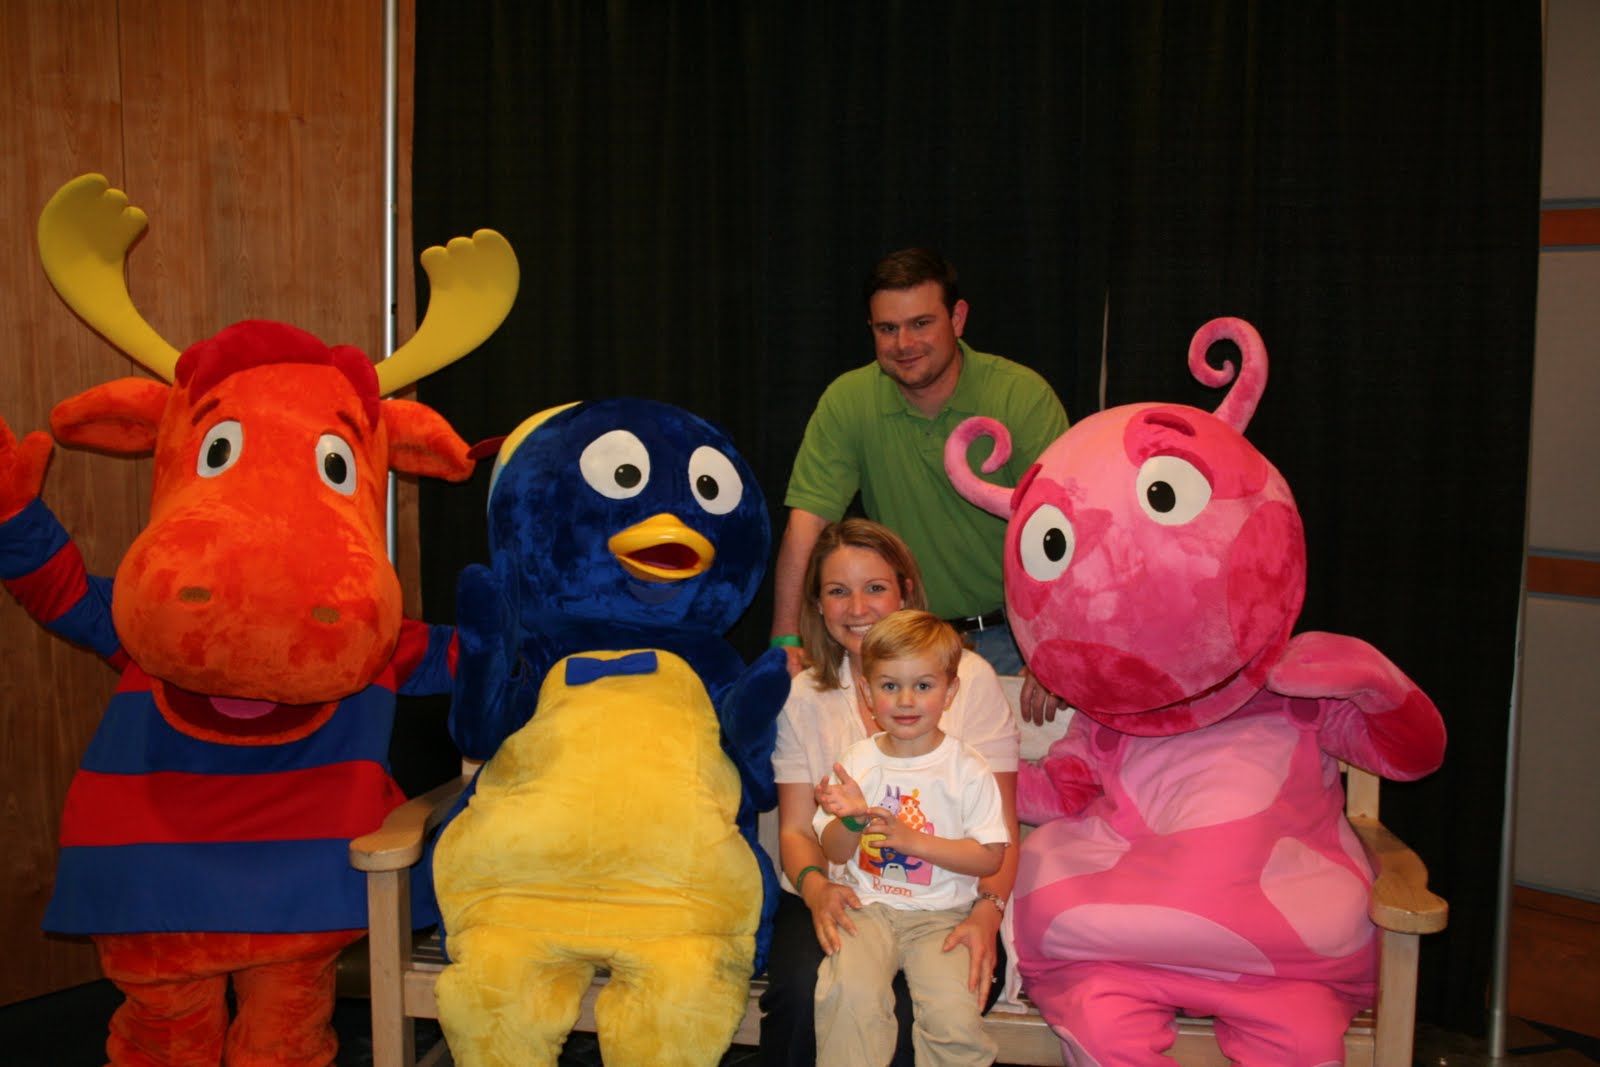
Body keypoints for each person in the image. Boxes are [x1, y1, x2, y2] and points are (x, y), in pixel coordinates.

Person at [760, 519, 1019, 1067]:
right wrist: (817, 891)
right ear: (818, 605)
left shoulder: (967, 679)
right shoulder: (804, 696)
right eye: (838, 591)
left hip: (950, 900)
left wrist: (988, 913)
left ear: (904, 590)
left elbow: (1000, 831)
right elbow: (798, 830)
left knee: (932, 1002)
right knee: (803, 993)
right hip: (842, 890)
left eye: (875, 587)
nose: (858, 607)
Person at [770, 247, 1069, 720]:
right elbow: (806, 523)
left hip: (1018, 640)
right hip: (901, 641)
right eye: (887, 329)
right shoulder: (849, 400)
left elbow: (1066, 530)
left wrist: (1057, 647)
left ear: (958, 318)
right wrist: (786, 639)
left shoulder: (1019, 394)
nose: (904, 343)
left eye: (921, 324)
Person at [811, 610, 1010, 1067]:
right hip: (868, 909)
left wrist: (910, 840)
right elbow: (833, 851)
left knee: (953, 1016)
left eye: (922, 685)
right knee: (850, 996)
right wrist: (853, 822)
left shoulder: (968, 768)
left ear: (950, 692)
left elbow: (990, 858)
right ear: (867, 693)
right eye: (889, 685)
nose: (905, 700)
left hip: (943, 917)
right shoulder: (856, 762)